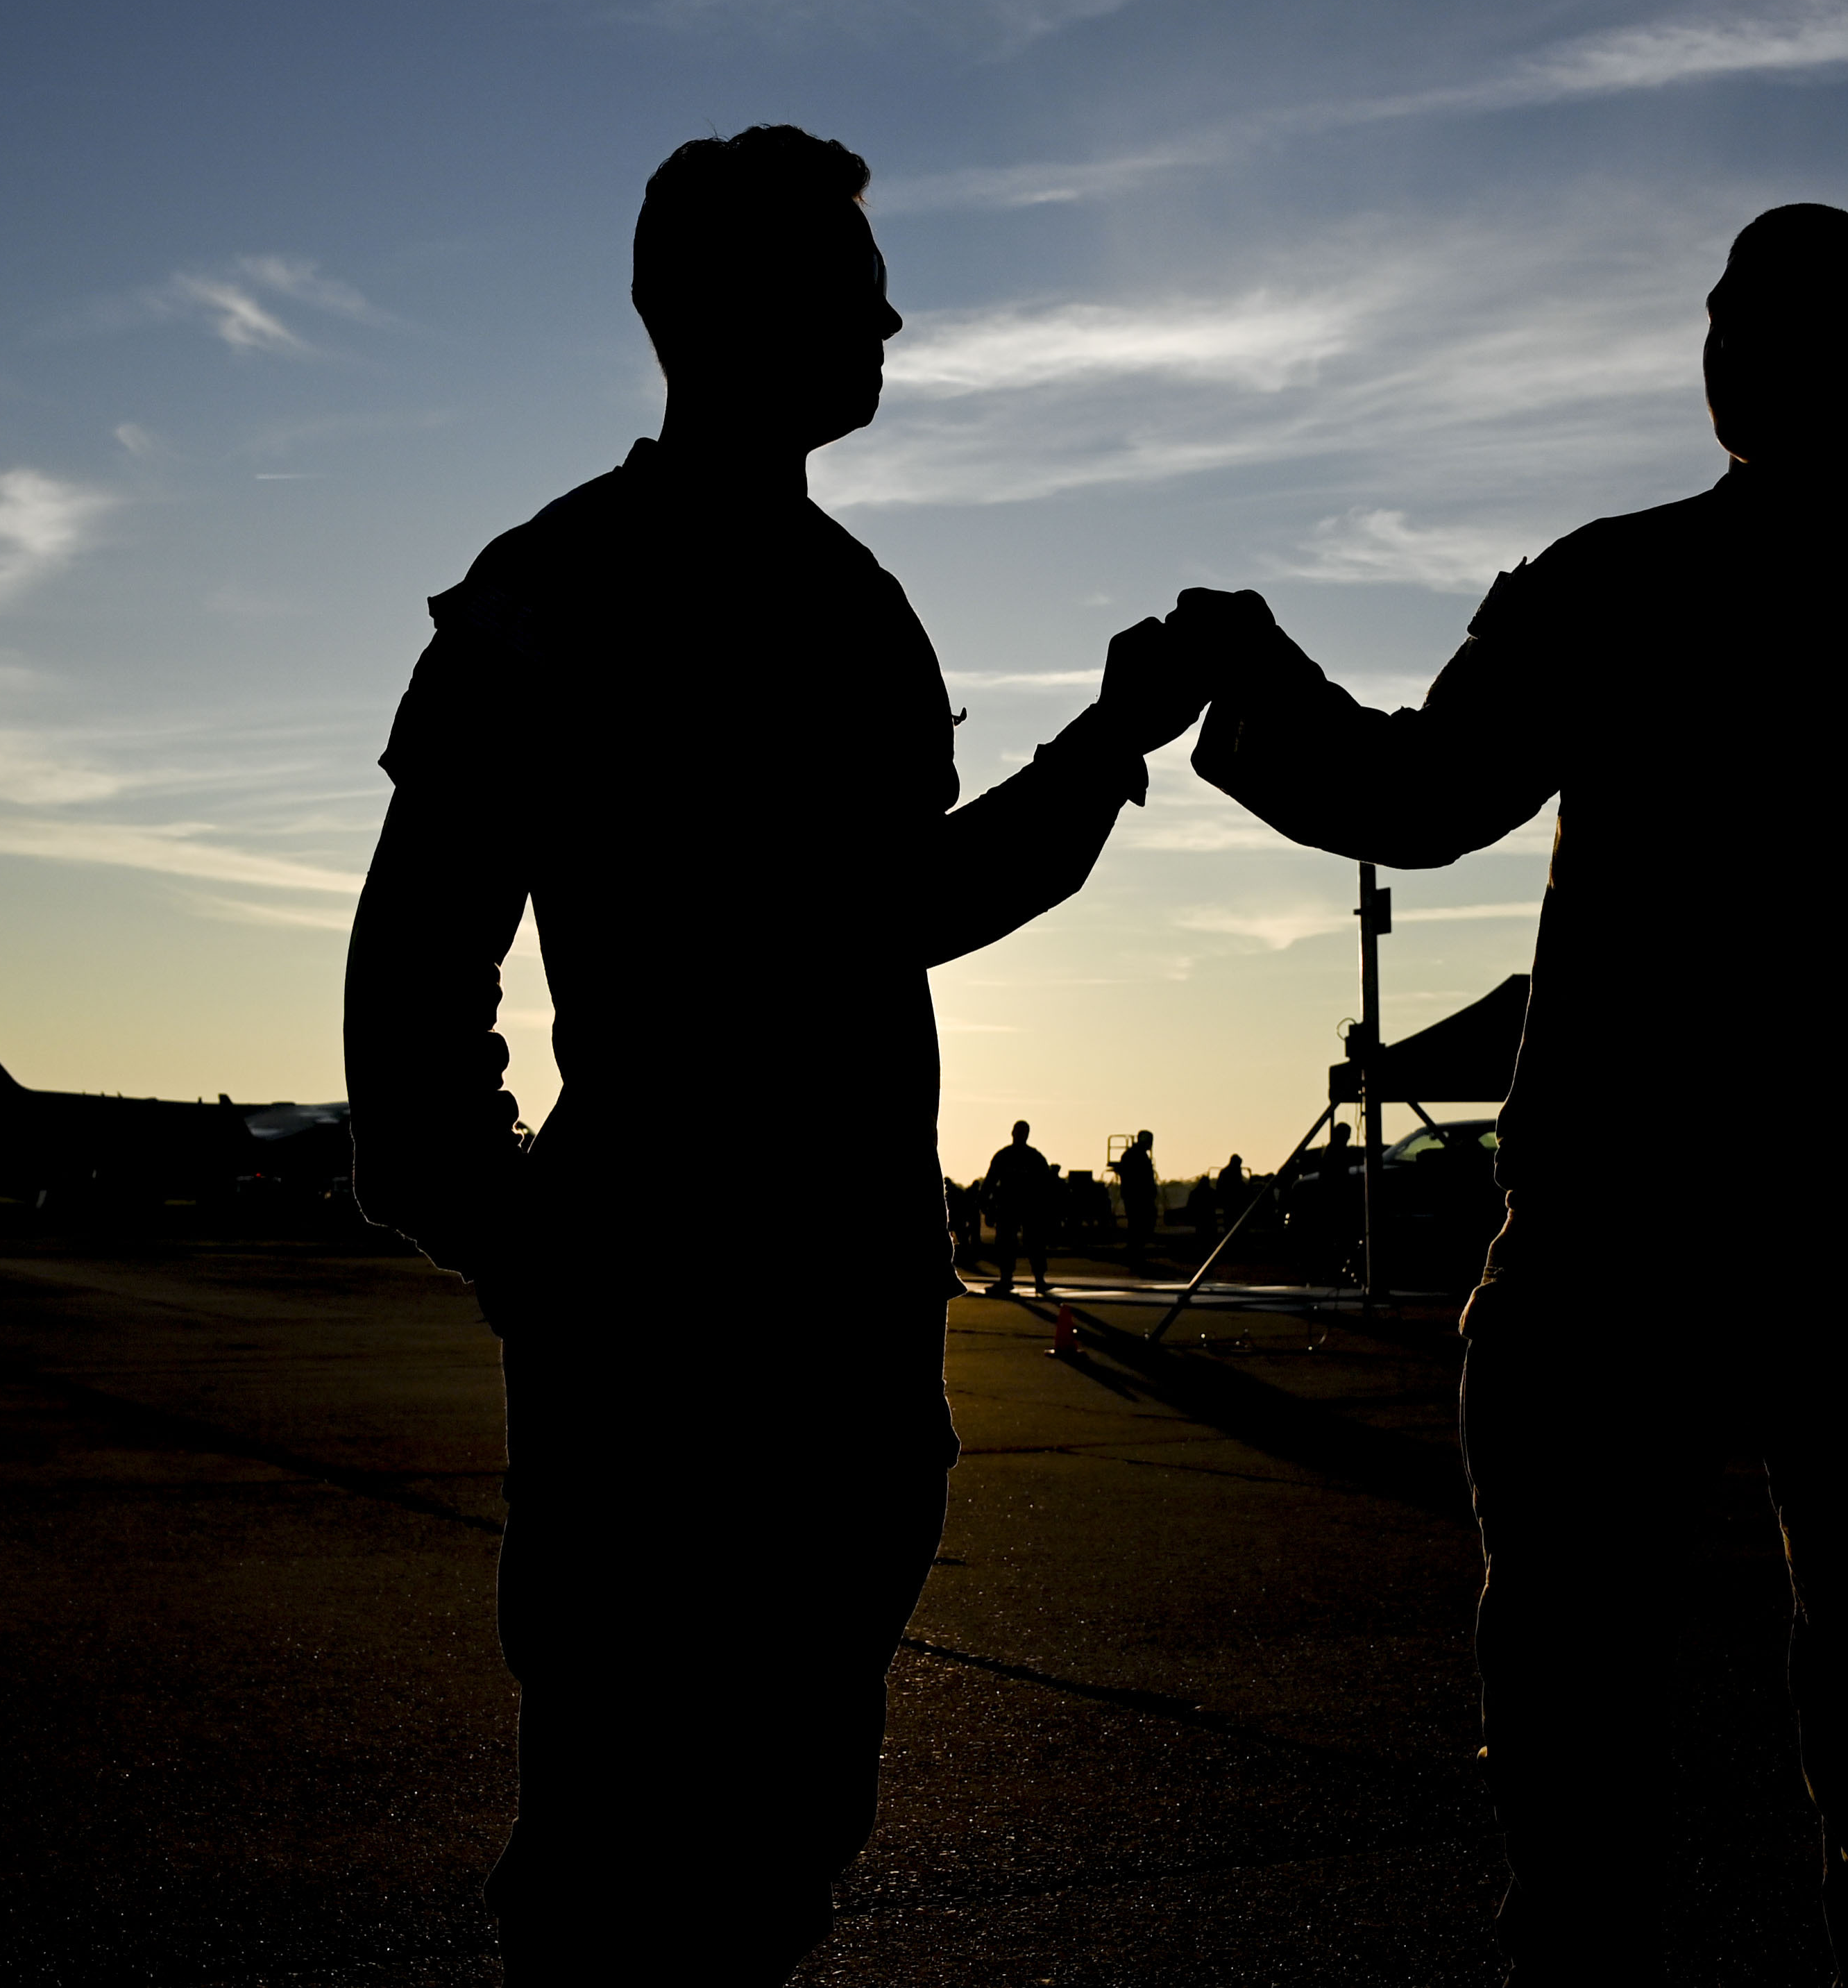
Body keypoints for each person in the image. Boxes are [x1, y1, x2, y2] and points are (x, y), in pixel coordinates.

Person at [1173, 204, 1848, 1980]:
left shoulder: (1609, 587)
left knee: (1580, 1725)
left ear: (1777, 353)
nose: (1706, 344)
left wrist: (1251, 674)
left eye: (1728, 317)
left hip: (1620, 1235)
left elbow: (1413, 793)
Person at [342, 125, 1207, 1984]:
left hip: (831, 1334)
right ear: (730, 308)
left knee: (772, 1847)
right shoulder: (562, 591)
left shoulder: (837, 602)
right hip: (673, 1325)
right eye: (847, 280)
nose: (890, 314)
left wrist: (1107, 739)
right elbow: (420, 971)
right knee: (626, 1859)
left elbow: (903, 899)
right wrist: (522, 1243)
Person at [981, 1119, 1053, 1295]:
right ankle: (1008, 1279)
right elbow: (989, 1183)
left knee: (1034, 1243)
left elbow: (1047, 1186)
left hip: (1028, 1208)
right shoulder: (1007, 1156)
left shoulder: (1032, 1158)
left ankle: (1037, 1279)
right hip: (1010, 1207)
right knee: (1008, 1244)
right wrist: (986, 1206)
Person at [1113, 1129, 1158, 1256]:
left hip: (1133, 1194)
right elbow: (1142, 1178)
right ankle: (1135, 1248)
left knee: (1136, 1222)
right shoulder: (1138, 1156)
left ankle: (1135, 1247)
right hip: (1138, 1196)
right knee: (1139, 1222)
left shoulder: (1131, 1154)